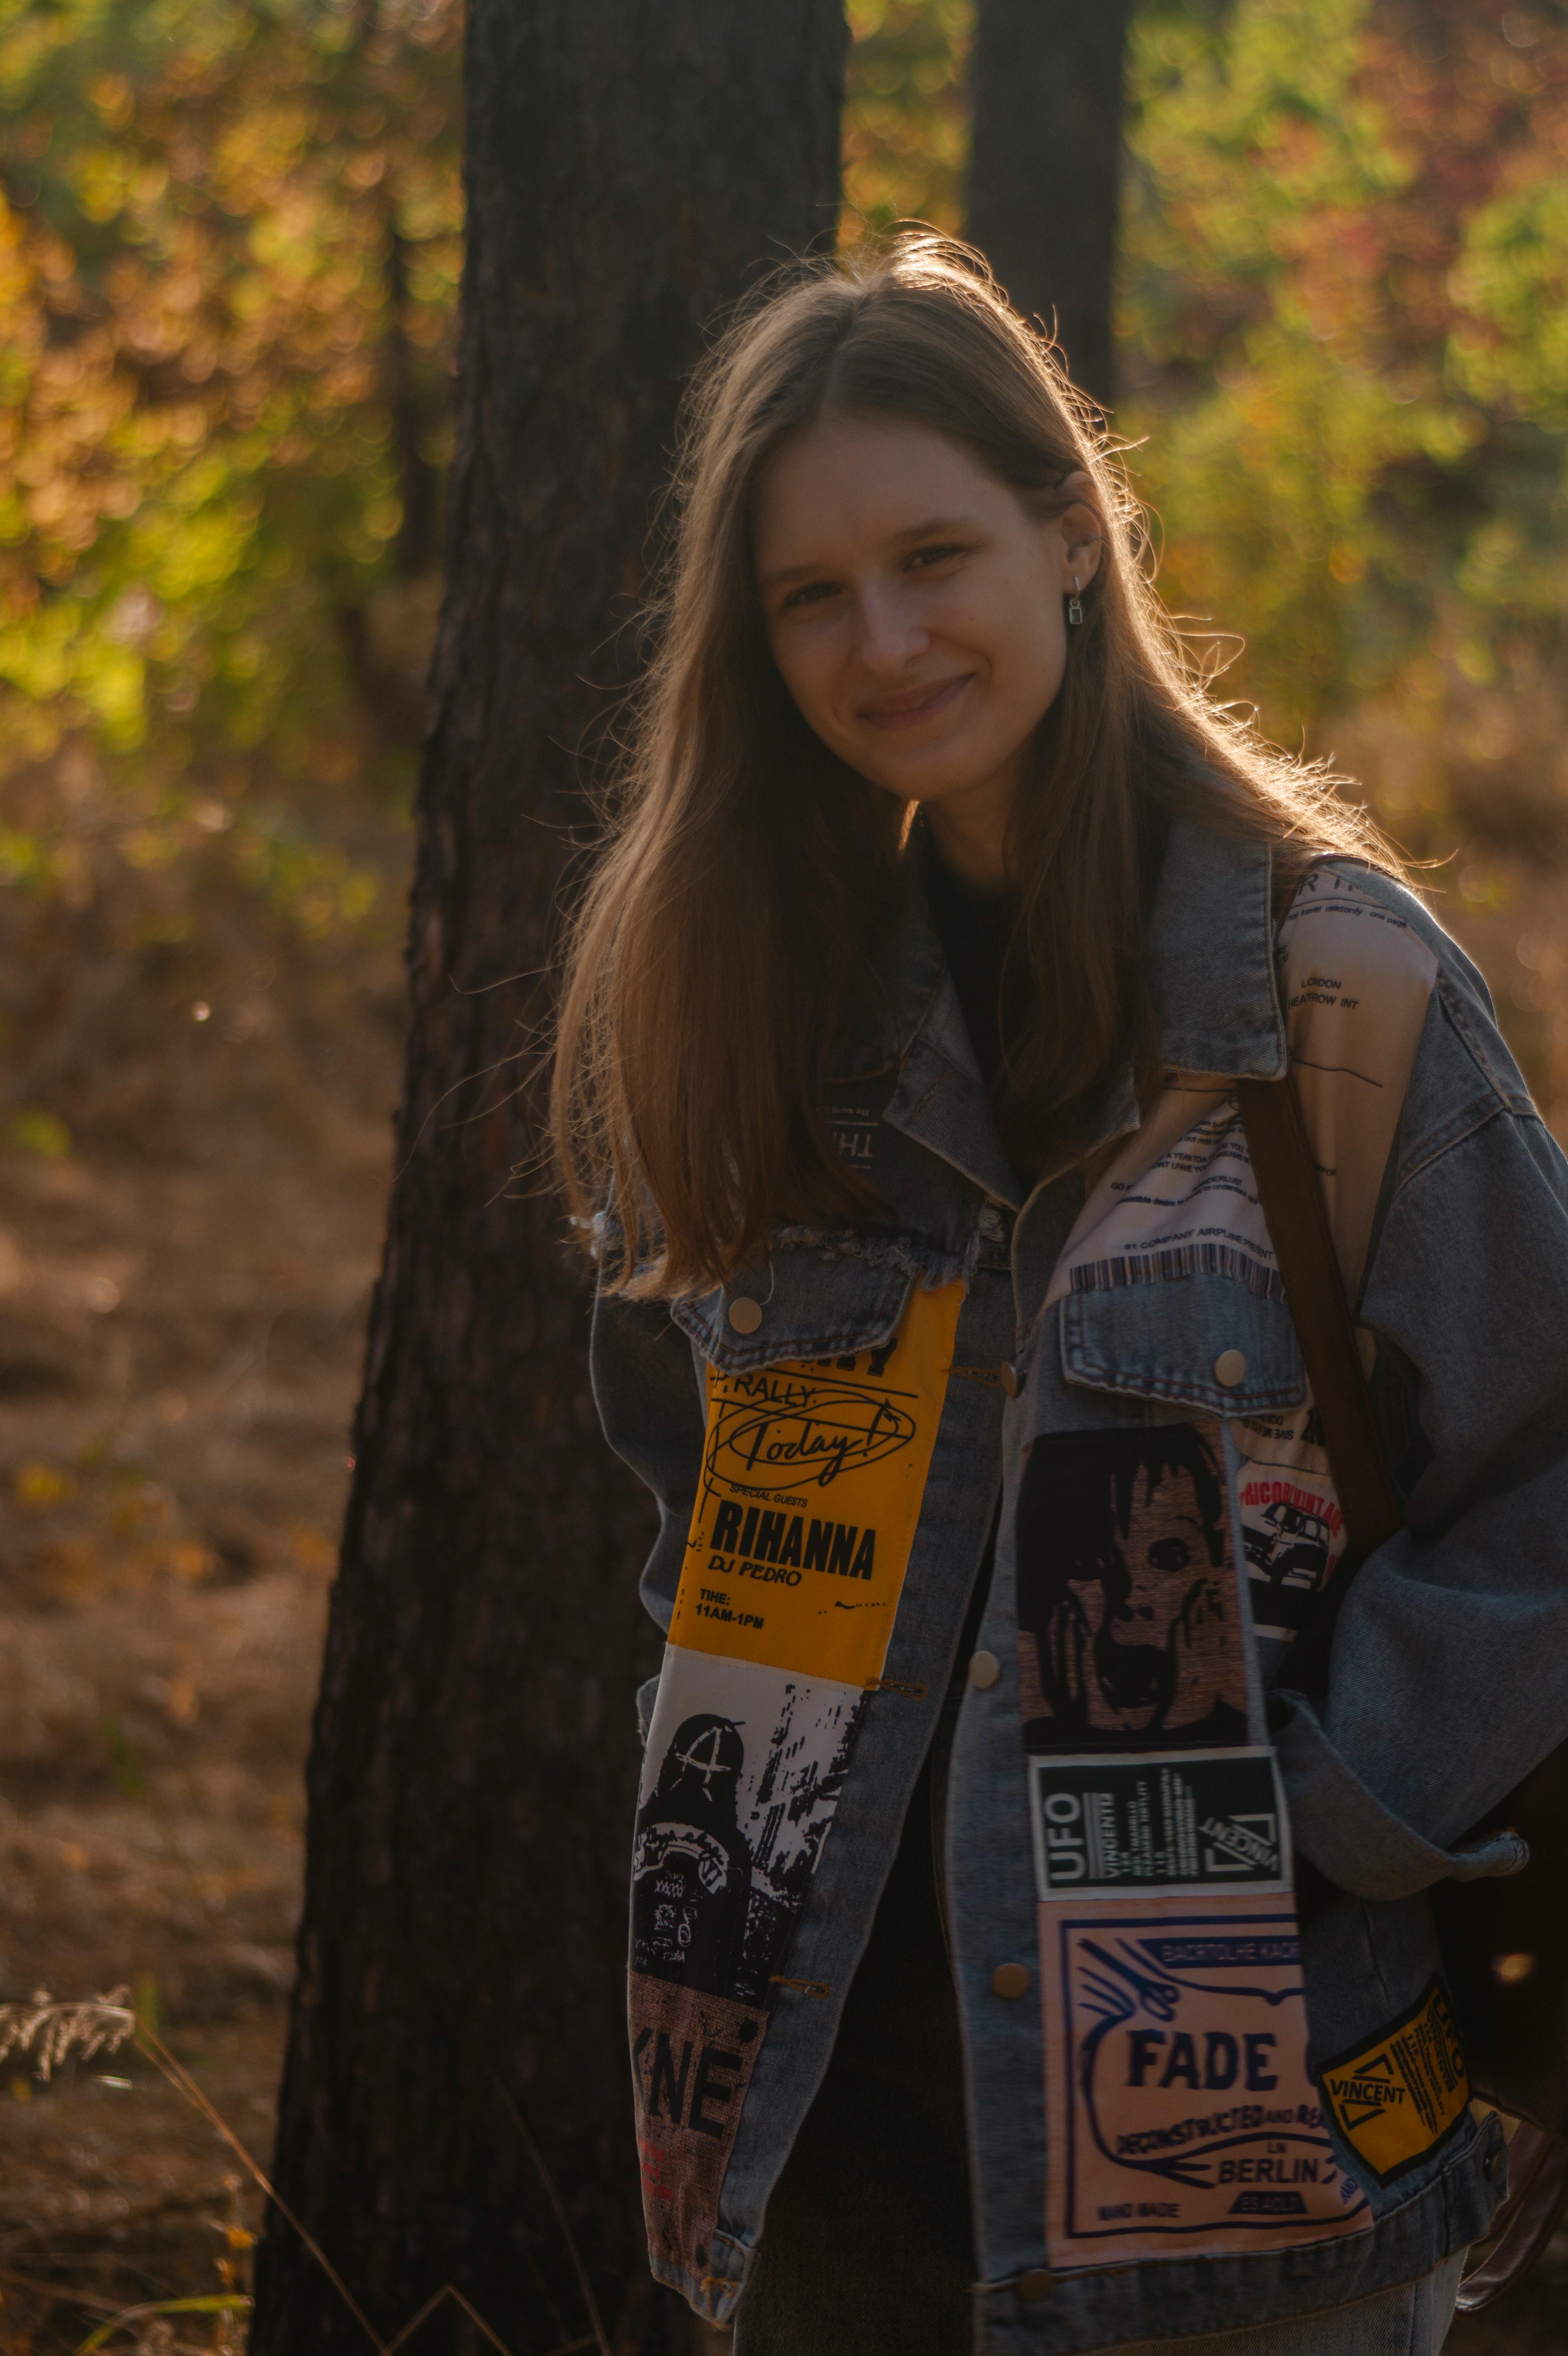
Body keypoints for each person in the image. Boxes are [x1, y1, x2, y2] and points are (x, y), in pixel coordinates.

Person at [552, 236, 1568, 2355]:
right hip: (812, 2121)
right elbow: (683, 1459)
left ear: (1070, 535)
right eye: (809, 595)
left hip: (1233, 2150)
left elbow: (1544, 1460)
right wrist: (705, 1765)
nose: (884, 637)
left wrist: (1336, 1798)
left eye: (931, 553)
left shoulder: (1333, 995)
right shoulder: (744, 1004)